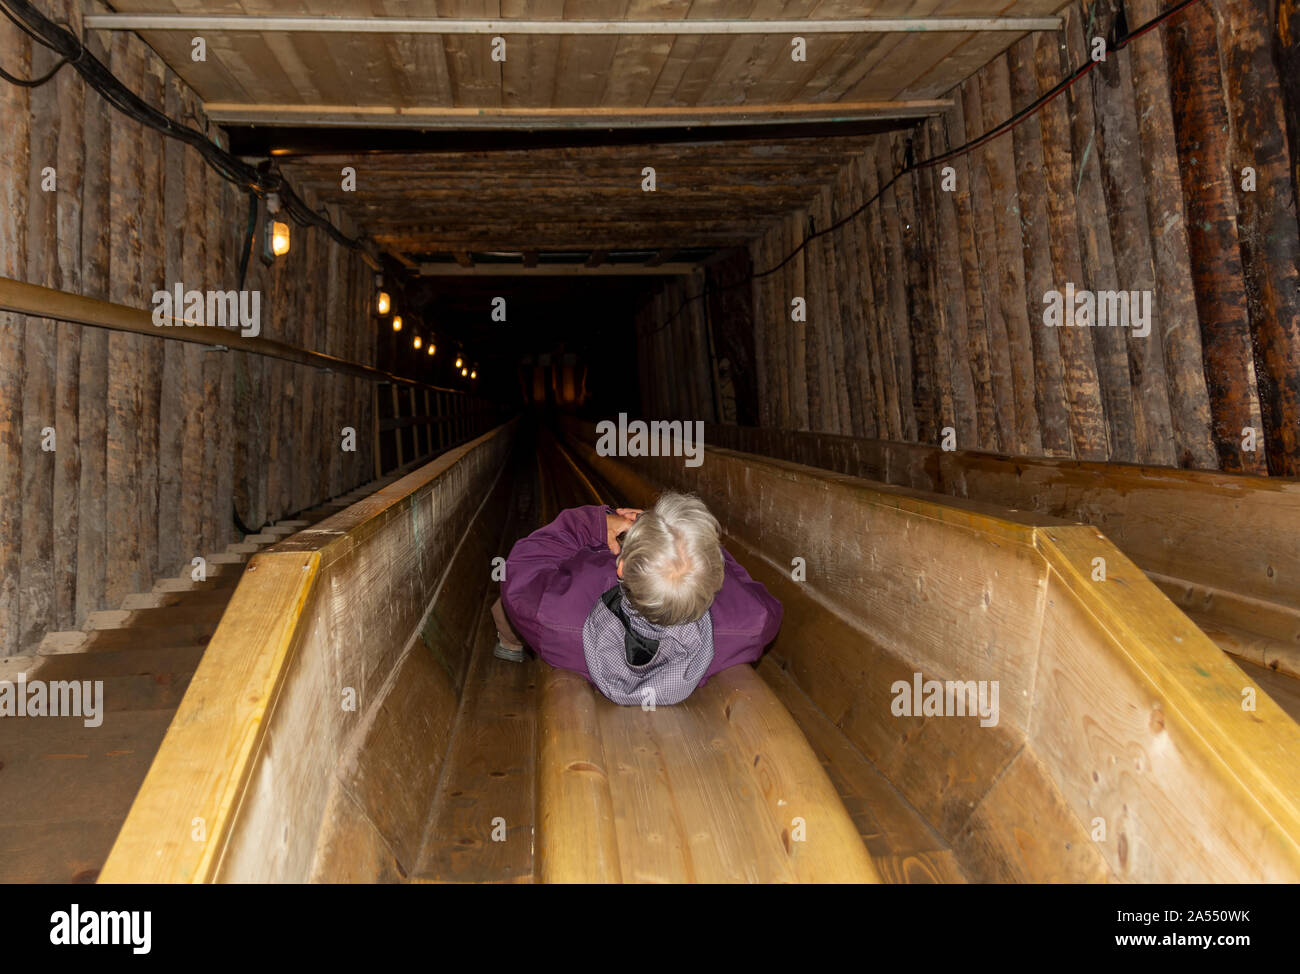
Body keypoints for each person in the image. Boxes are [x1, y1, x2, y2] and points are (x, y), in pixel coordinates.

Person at [492, 492, 782, 706]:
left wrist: (595, 524)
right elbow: (755, 595)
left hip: (566, 638)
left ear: (621, 567)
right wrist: (690, 551)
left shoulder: (555, 616)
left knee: (505, 610)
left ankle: (509, 642)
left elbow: (522, 569)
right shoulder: (749, 624)